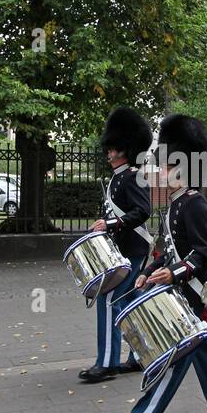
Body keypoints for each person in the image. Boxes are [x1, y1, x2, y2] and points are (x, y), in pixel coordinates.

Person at [97, 114, 207, 413]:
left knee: (173, 362)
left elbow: (204, 254)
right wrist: (151, 270)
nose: (158, 173)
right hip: (184, 299)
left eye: (164, 167)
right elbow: (168, 249)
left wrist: (175, 274)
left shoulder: (196, 205)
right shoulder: (175, 204)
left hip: (191, 299)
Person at [80, 107, 153, 383]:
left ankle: (107, 362)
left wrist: (110, 225)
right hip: (122, 249)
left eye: (113, 148)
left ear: (125, 148)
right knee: (130, 302)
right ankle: (139, 355)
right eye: (109, 148)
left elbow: (142, 211)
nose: (108, 153)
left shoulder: (132, 175)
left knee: (109, 298)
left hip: (132, 249)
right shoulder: (119, 177)